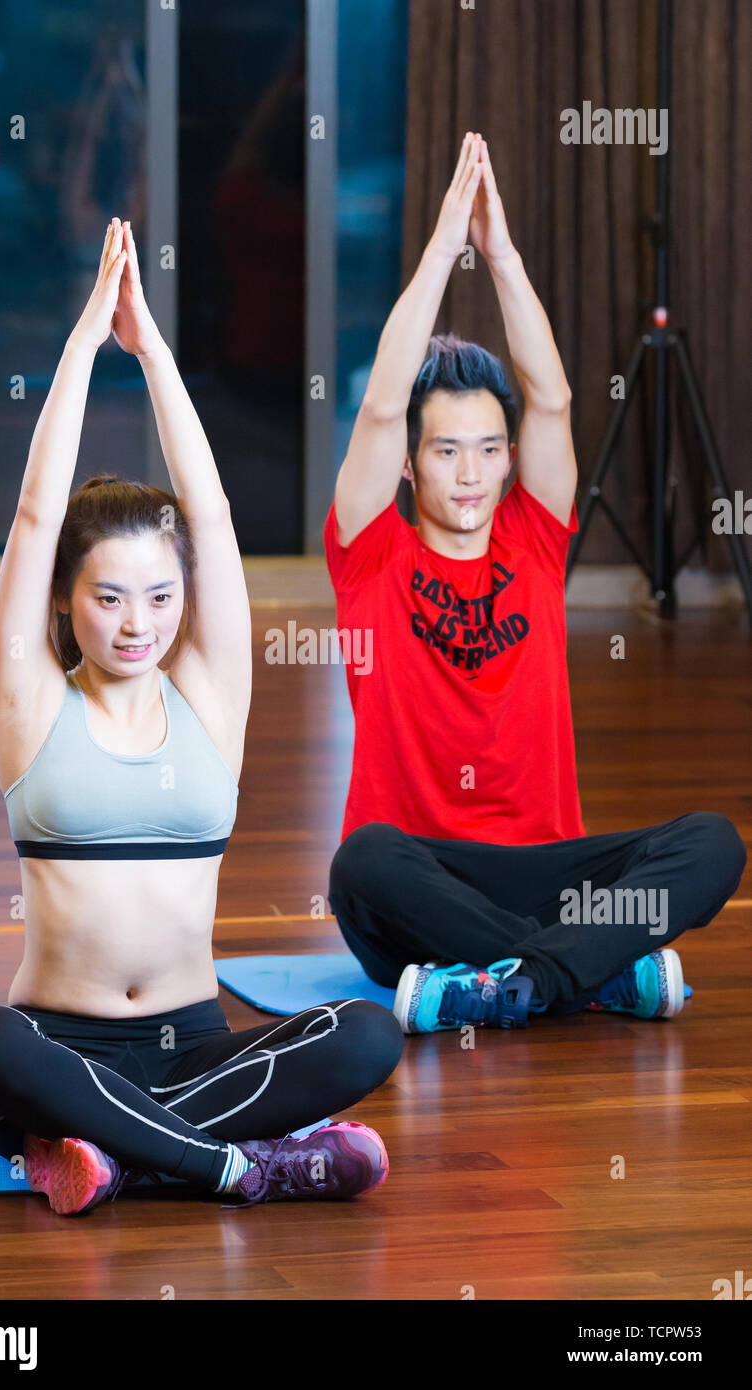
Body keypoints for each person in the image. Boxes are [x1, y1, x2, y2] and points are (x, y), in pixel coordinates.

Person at [0, 217, 403, 1215]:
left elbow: (213, 520)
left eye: (159, 597)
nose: (136, 622)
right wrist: (79, 348)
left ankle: (118, 1155)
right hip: (53, 1050)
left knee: (369, 1034)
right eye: (108, 596)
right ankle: (230, 1165)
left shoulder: (208, 698)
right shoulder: (29, 700)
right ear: (65, 600)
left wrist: (153, 351)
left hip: (192, 1042)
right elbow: (34, 517)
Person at [325, 133, 746, 1034]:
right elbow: (378, 405)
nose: (470, 475)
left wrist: (503, 255)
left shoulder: (535, 539)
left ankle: (518, 979)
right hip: (421, 890)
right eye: (445, 451)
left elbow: (551, 398)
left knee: (714, 841)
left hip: (552, 873)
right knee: (360, 863)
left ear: (510, 458)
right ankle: (583, 977)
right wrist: (444, 249)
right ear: (408, 466)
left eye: (487, 451)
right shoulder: (371, 555)